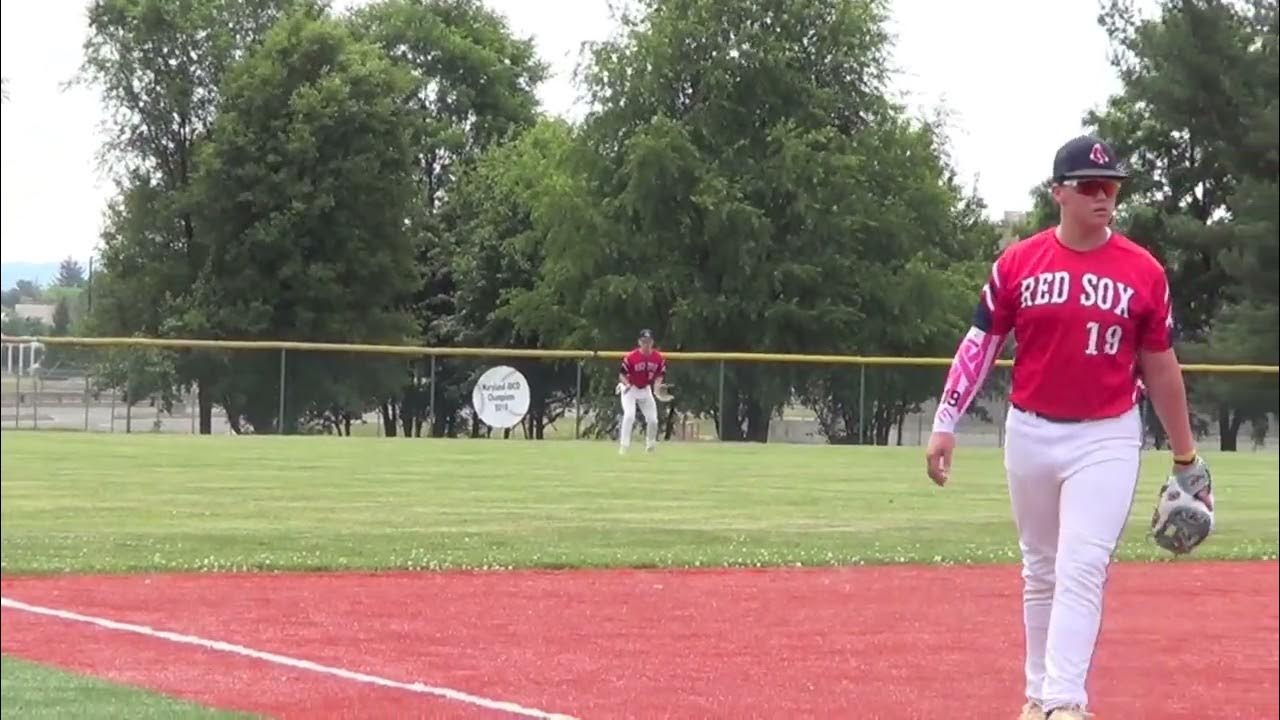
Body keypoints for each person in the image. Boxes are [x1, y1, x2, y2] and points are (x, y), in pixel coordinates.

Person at [924, 135, 1211, 720]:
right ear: (1059, 192)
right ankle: (1038, 697)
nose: (1104, 195)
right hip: (1029, 431)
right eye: (1089, 185)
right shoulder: (1018, 264)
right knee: (1041, 568)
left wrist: (1186, 457)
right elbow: (981, 344)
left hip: (1106, 434)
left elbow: (1161, 367)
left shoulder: (1143, 272)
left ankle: (1063, 703)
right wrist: (945, 420)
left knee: (1082, 565)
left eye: (1111, 186)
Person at [617, 329, 667, 454]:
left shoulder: (658, 358)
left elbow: (660, 375)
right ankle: (624, 447)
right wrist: (626, 384)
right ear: (639, 342)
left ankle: (650, 445)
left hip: (645, 389)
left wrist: (656, 388)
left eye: (649, 341)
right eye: (644, 341)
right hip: (630, 388)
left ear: (652, 342)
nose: (646, 344)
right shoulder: (631, 357)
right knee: (629, 416)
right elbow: (621, 374)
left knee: (653, 420)